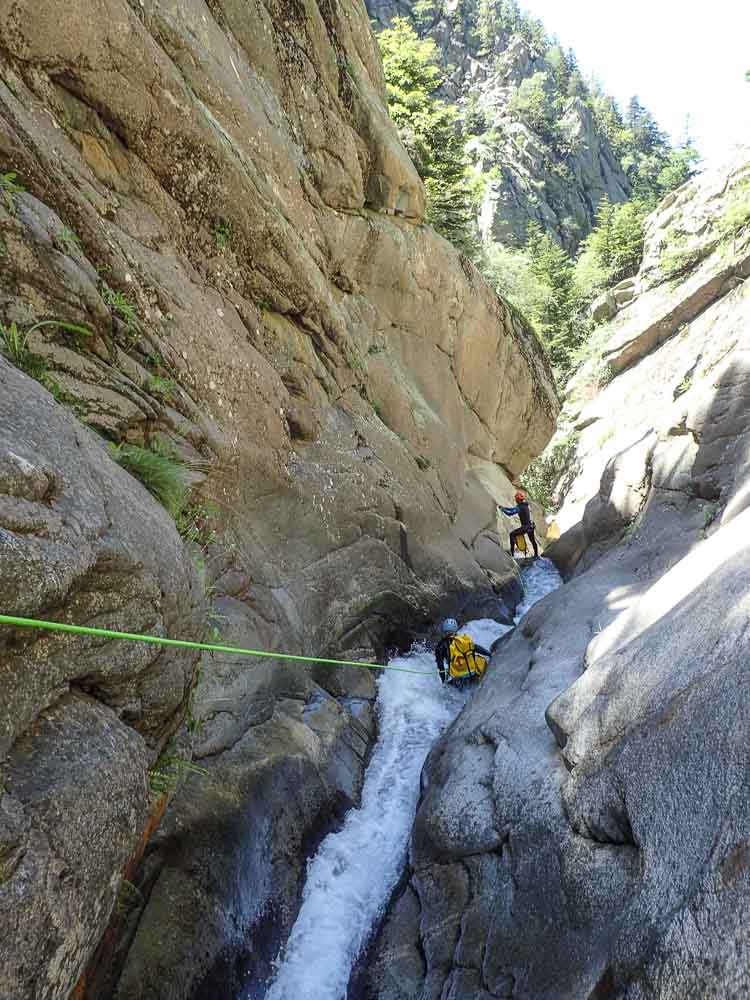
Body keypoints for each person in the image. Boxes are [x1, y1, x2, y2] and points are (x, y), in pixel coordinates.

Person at [435, 619, 492, 688]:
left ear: (444, 630)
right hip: (472, 673)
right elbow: (476, 648)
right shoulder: (463, 640)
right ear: (455, 629)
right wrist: (489, 654)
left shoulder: (440, 646)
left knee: (452, 687)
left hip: (458, 678)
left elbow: (441, 666)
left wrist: (443, 681)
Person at [500, 490, 539, 558]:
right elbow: (512, 509)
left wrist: (502, 510)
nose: (515, 500)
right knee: (532, 541)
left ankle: (512, 554)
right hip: (530, 526)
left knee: (512, 534)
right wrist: (504, 507)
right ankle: (536, 555)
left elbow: (510, 513)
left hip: (525, 527)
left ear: (518, 499)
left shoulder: (520, 507)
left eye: (516, 499)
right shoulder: (525, 505)